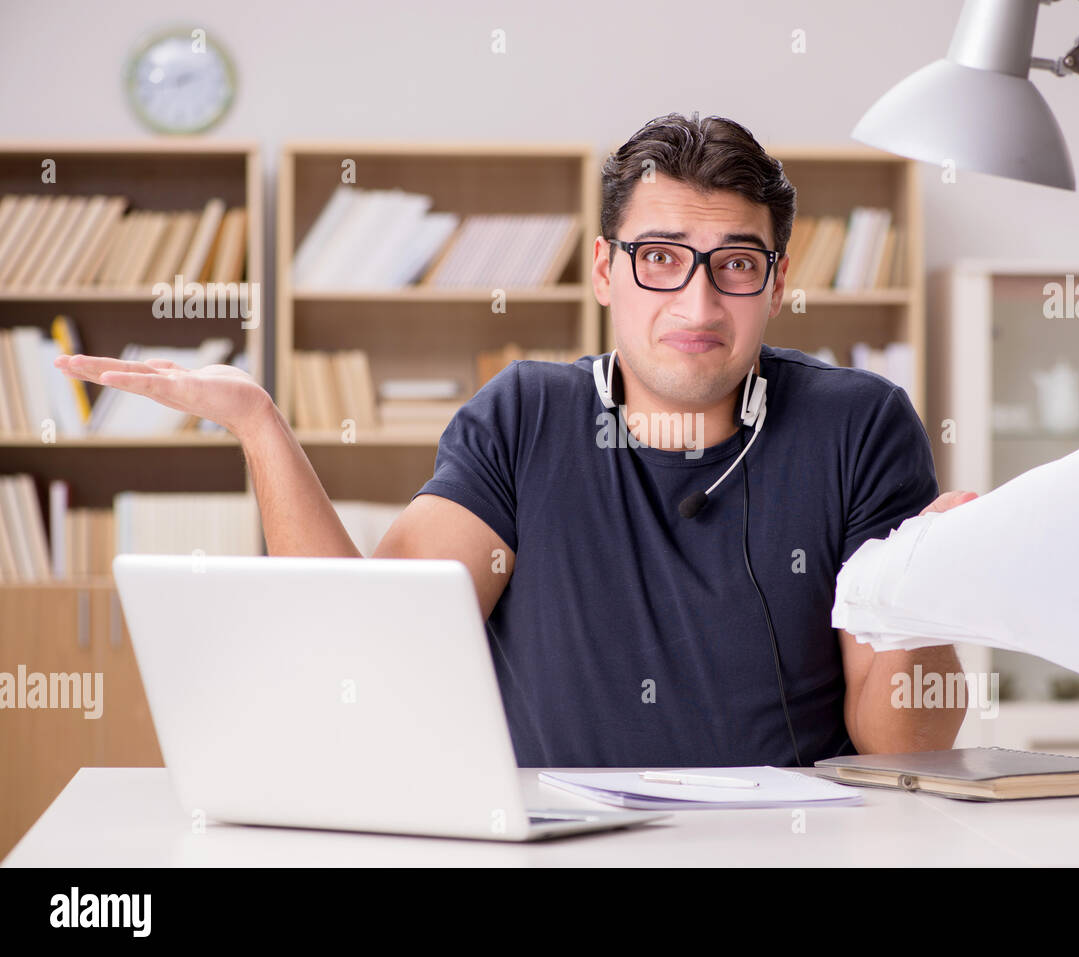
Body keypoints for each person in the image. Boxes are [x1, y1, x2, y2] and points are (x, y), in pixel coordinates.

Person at [55, 112, 976, 768]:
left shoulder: (860, 424)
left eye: (735, 265)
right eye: (660, 260)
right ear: (607, 272)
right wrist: (260, 425)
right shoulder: (525, 414)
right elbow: (370, 654)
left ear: (775, 283)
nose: (698, 305)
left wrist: (917, 589)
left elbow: (904, 745)